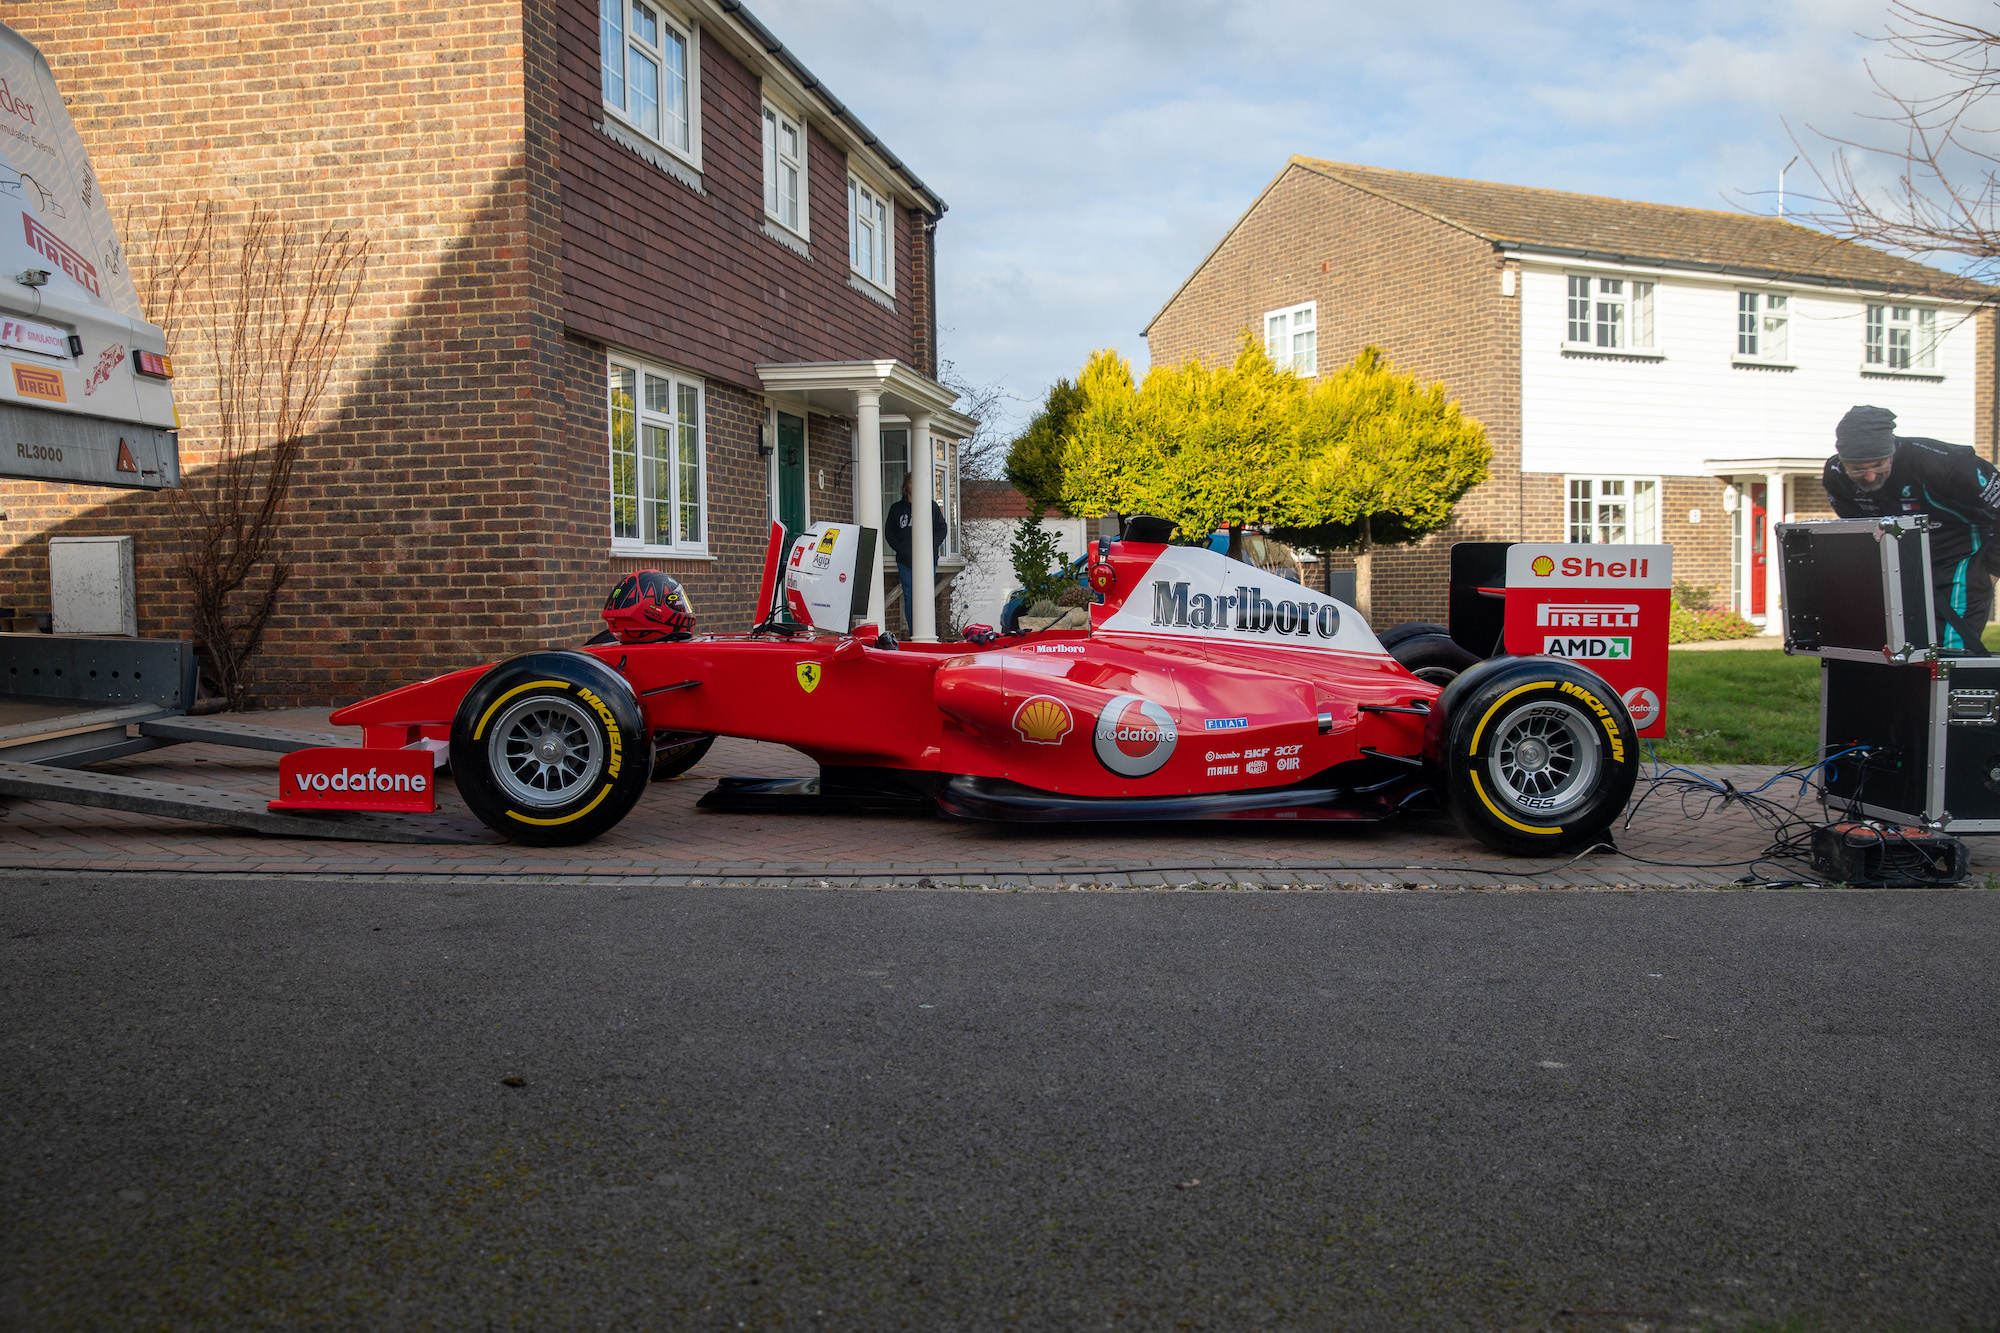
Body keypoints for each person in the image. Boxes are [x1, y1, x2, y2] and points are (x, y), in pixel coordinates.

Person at [1823, 403, 2000, 653]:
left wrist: (1990, 571)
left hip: (1961, 560)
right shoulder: (1836, 477)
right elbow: (1857, 524)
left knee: (1949, 652)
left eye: (1879, 465)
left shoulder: (1946, 465)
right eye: (1858, 469)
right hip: (1903, 563)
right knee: (1897, 648)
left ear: (1892, 450)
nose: (1870, 476)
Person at [885, 473, 947, 635]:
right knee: (910, 598)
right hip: (906, 561)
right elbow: (889, 532)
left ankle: (927, 634)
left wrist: (931, 545)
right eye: (913, 483)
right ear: (907, 486)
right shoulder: (896, 509)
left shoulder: (930, 507)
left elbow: (942, 528)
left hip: (927, 560)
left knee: (925, 597)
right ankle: (915, 634)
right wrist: (901, 548)